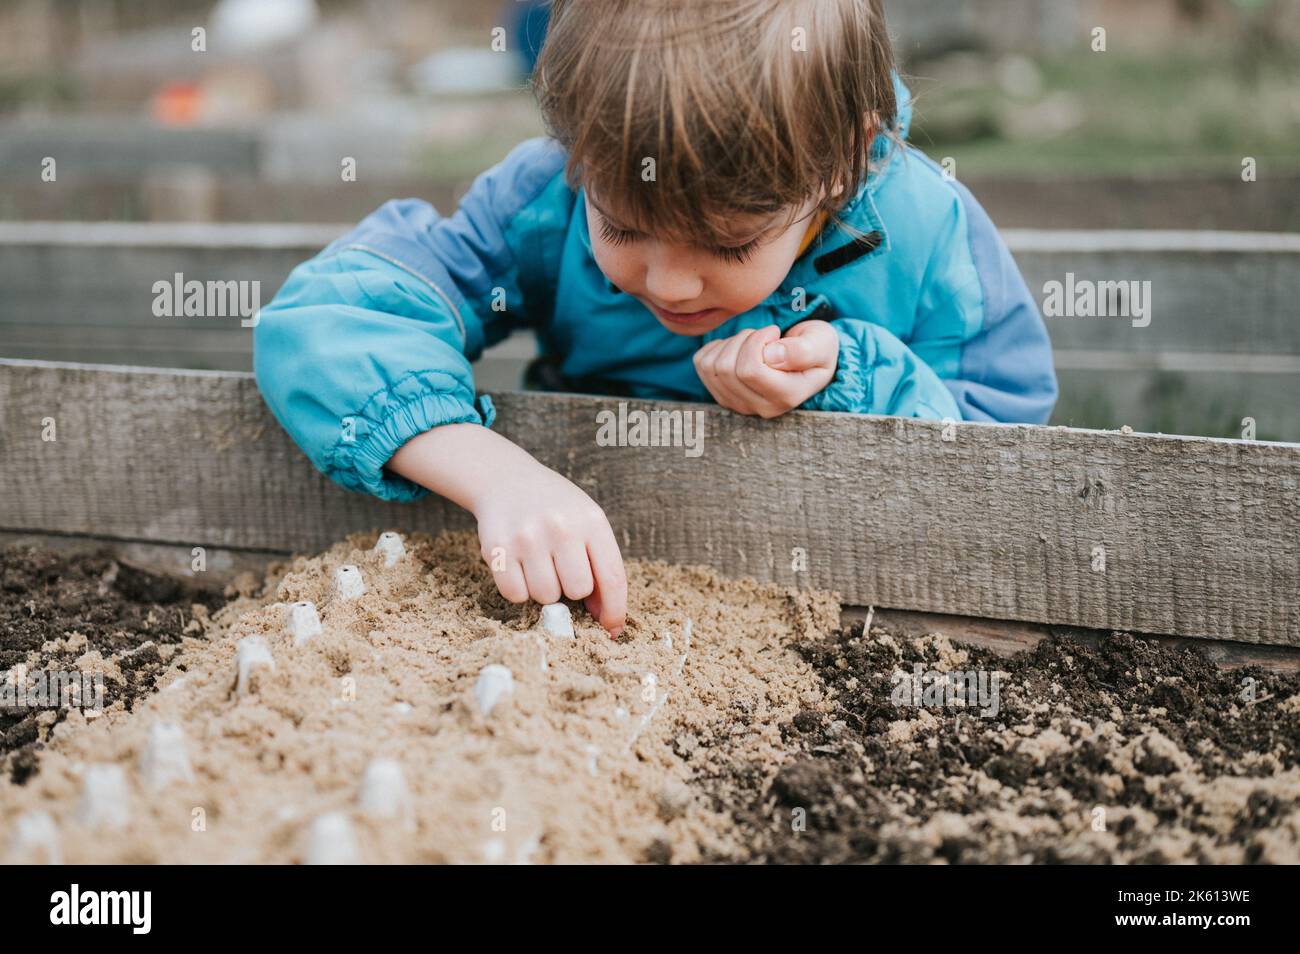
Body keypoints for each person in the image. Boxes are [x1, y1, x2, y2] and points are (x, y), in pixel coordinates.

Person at [254, 0, 1058, 639]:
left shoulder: (926, 235)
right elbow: (328, 319)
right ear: (576, 151)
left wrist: (856, 375)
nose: (670, 283)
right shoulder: (545, 200)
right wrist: (497, 476)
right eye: (625, 228)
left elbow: (1001, 451)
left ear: (840, 168)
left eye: (726, 242)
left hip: (851, 603)